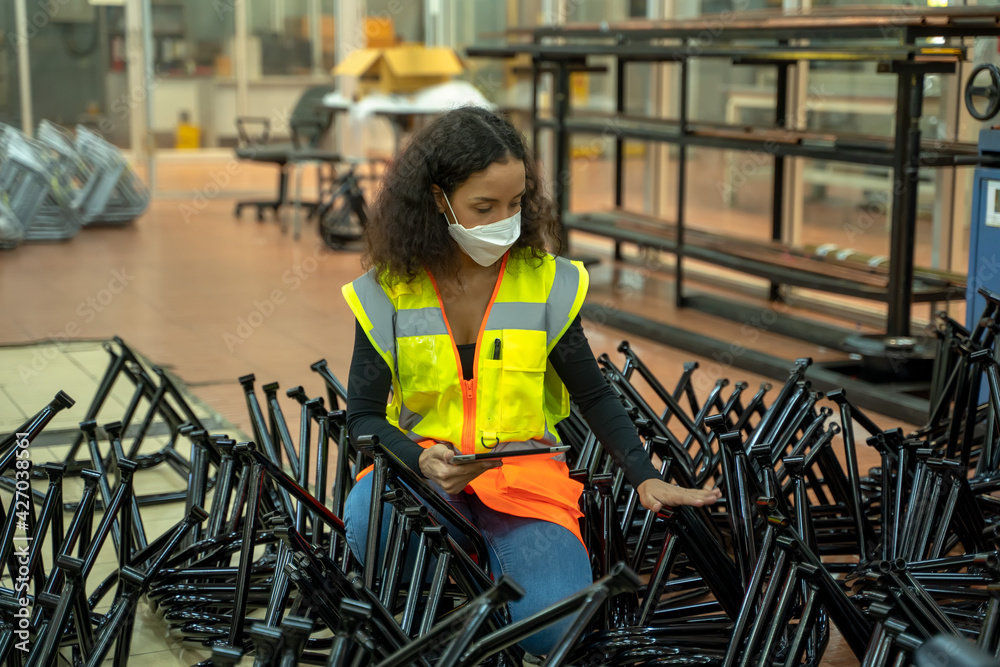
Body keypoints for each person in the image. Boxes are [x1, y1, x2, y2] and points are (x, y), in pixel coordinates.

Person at [341, 106, 720, 657]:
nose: (505, 219)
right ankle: (460, 580)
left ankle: (479, 578)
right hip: (421, 474)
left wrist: (643, 474)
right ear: (436, 199)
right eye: (484, 206)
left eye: (516, 203)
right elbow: (364, 419)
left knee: (552, 627)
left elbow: (592, 392)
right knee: (375, 532)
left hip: (524, 478)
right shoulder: (385, 293)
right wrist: (419, 459)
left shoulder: (545, 283)